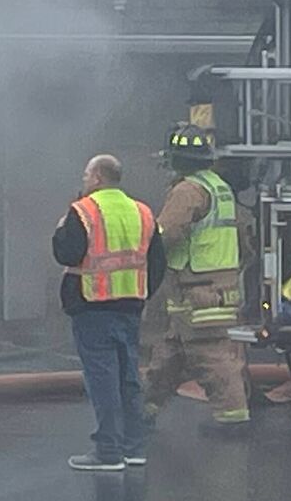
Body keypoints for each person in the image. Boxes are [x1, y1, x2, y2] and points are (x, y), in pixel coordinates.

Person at [51, 154, 164, 473]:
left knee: (102, 379)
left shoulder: (83, 212)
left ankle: (108, 451)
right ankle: (134, 447)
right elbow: (157, 263)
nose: (84, 179)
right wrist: (140, 293)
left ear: (98, 177)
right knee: (128, 377)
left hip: (92, 306)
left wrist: (63, 225)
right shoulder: (142, 212)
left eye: (87, 173)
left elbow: (65, 252)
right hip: (129, 306)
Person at [141, 122, 252, 432]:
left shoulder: (188, 190)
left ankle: (233, 419)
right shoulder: (219, 187)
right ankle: (145, 408)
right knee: (171, 352)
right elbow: (244, 238)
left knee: (211, 355)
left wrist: (143, 252)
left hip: (197, 291)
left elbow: (166, 234)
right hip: (214, 288)